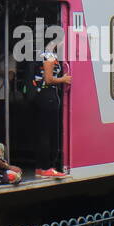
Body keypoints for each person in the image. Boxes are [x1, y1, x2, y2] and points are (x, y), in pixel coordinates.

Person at [31, 42, 70, 178]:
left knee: (43, 132)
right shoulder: (49, 56)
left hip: (42, 96)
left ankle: (40, 168)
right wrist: (63, 79)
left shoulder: (42, 55)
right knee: (48, 134)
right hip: (48, 97)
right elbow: (48, 79)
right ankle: (47, 167)